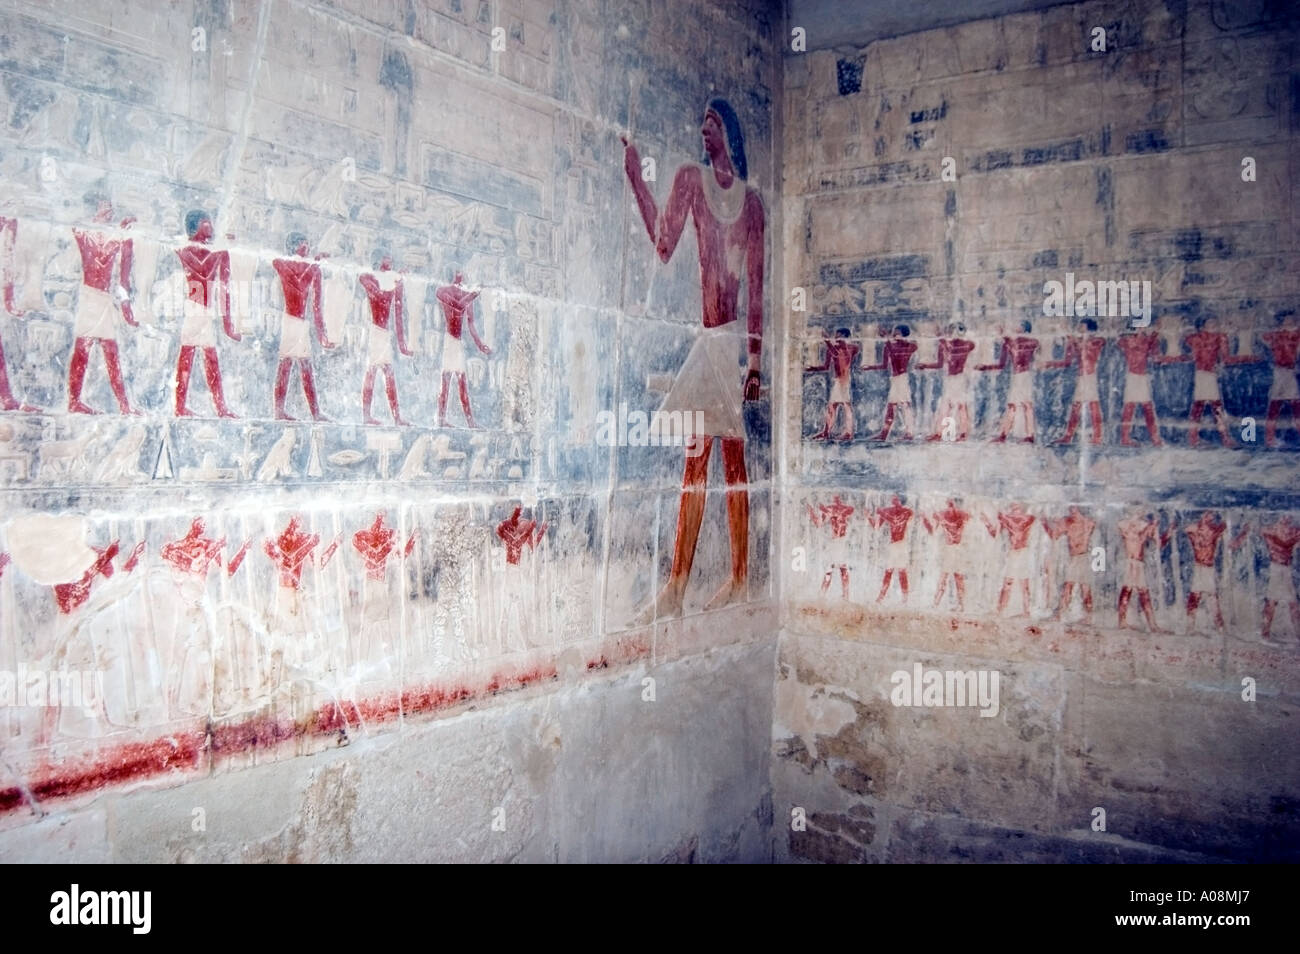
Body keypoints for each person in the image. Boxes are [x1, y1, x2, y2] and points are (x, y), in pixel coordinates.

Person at [621, 97, 764, 620]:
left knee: (726, 459)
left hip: (729, 345)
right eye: (701, 123)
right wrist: (637, 180)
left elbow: (758, 288)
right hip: (710, 342)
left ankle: (730, 579)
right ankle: (682, 587)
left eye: (712, 122)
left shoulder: (752, 204)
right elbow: (663, 244)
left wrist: (755, 361)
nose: (704, 130)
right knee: (703, 456)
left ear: (728, 131)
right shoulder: (688, 180)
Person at [173, 209, 239, 418]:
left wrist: (228, 324)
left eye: (210, 222)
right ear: (194, 226)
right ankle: (180, 406)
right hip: (192, 309)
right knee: (188, 356)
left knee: (209, 359)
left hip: (205, 312)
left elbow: (224, 288)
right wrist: (220, 250)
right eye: (205, 222)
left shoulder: (217, 251)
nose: (210, 226)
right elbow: (201, 269)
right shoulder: (185, 248)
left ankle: (220, 407)